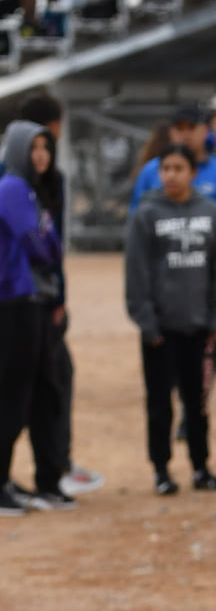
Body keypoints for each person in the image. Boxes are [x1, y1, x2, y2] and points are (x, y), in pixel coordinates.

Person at [124, 144, 216, 495]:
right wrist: (147, 322)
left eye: (178, 168)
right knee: (159, 404)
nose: (171, 175)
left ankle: (201, 469)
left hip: (199, 326)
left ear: (193, 173)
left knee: (197, 404)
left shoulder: (212, 213)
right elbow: (136, 273)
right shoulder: (147, 215)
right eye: (165, 168)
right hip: (160, 329)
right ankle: (161, 471)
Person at [17, 91, 103, 499]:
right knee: (40, 386)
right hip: (27, 302)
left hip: (37, 298)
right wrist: (58, 296)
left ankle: (53, 470)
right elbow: (48, 247)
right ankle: (54, 470)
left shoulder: (40, 180)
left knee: (49, 382)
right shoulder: (19, 186)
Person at [129, 105, 216, 315]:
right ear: (171, 132)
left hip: (207, 282)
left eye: (191, 127)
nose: (185, 133)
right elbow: (135, 228)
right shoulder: (151, 173)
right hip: (160, 281)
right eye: (179, 128)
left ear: (206, 130)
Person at [0, 123, 63, 515]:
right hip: (11, 300)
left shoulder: (27, 190)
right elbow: (40, 243)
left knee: (20, 394)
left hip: (24, 298)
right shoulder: (11, 188)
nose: (40, 155)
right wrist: (47, 239)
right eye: (33, 147)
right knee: (10, 395)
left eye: (46, 147)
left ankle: (5, 479)